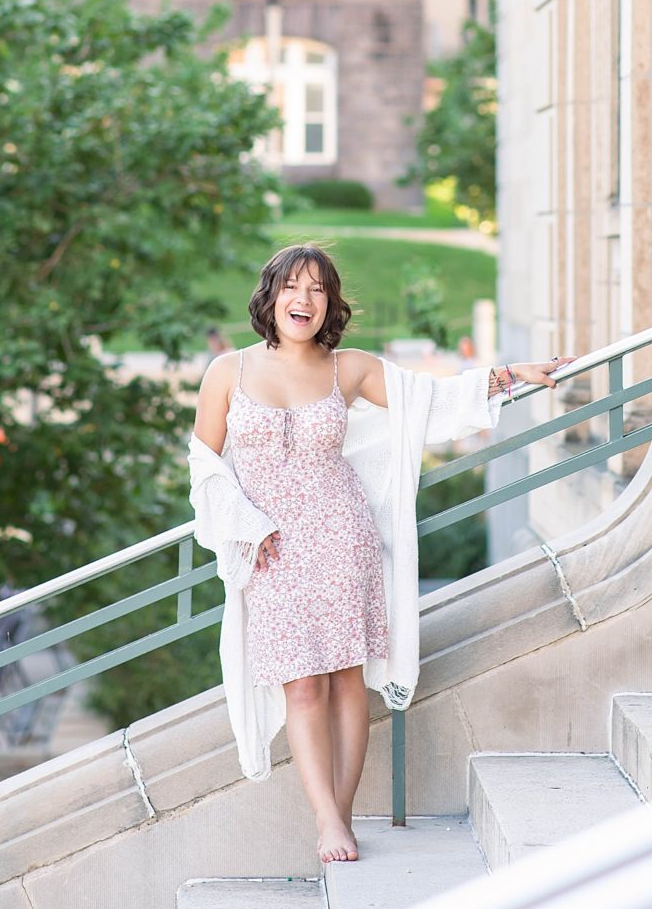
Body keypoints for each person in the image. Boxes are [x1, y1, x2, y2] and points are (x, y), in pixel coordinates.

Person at [189, 243, 570, 865]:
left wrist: (508, 376)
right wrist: (243, 526)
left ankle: (338, 819)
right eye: (292, 287)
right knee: (301, 687)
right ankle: (328, 818)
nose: (303, 300)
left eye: (317, 290)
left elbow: (432, 402)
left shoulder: (350, 369)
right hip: (271, 550)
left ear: (329, 304)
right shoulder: (227, 372)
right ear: (271, 296)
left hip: (343, 538)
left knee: (345, 683)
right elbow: (203, 463)